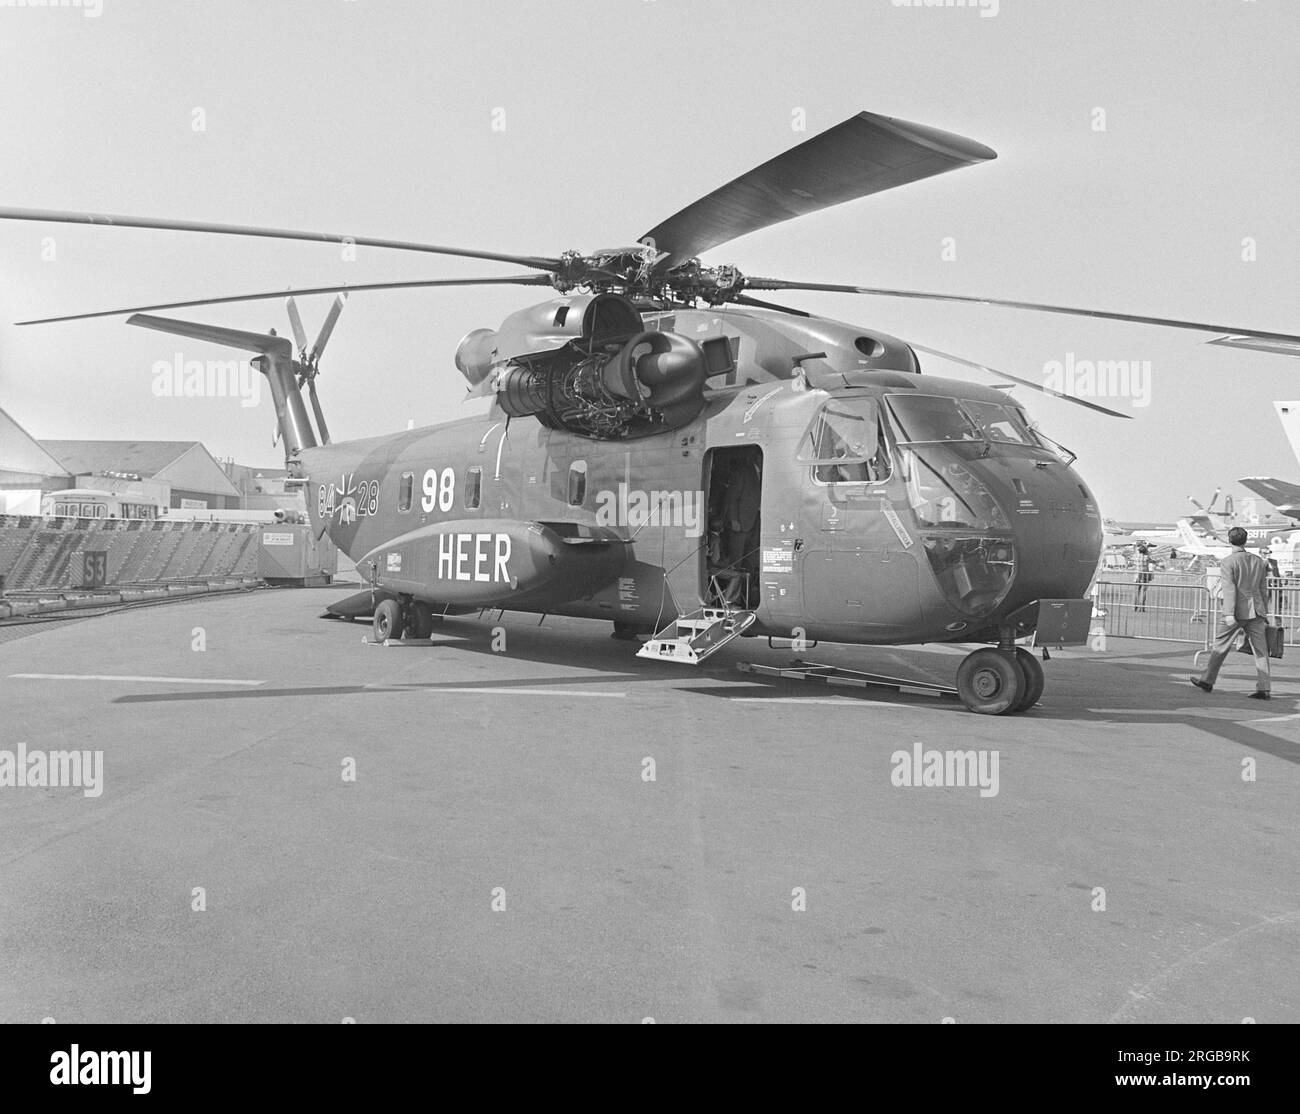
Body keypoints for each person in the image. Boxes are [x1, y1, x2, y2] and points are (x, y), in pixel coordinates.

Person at [1190, 527, 1272, 699]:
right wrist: (1264, 612)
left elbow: (1229, 589)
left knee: (1220, 646)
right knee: (1261, 651)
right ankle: (1264, 688)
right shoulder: (1258, 561)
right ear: (1246, 540)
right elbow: (1263, 589)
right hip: (1256, 611)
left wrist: (1229, 613)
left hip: (1237, 611)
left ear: (1229, 540)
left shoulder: (1228, 562)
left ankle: (1207, 680)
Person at [1133, 542, 1155, 612]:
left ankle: (1135, 605)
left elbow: (1136, 552)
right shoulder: (1146, 557)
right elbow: (1151, 559)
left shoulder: (1135, 557)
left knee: (1137, 591)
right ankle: (1142, 607)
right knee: (1144, 591)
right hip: (1145, 575)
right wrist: (1147, 547)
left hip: (1137, 575)